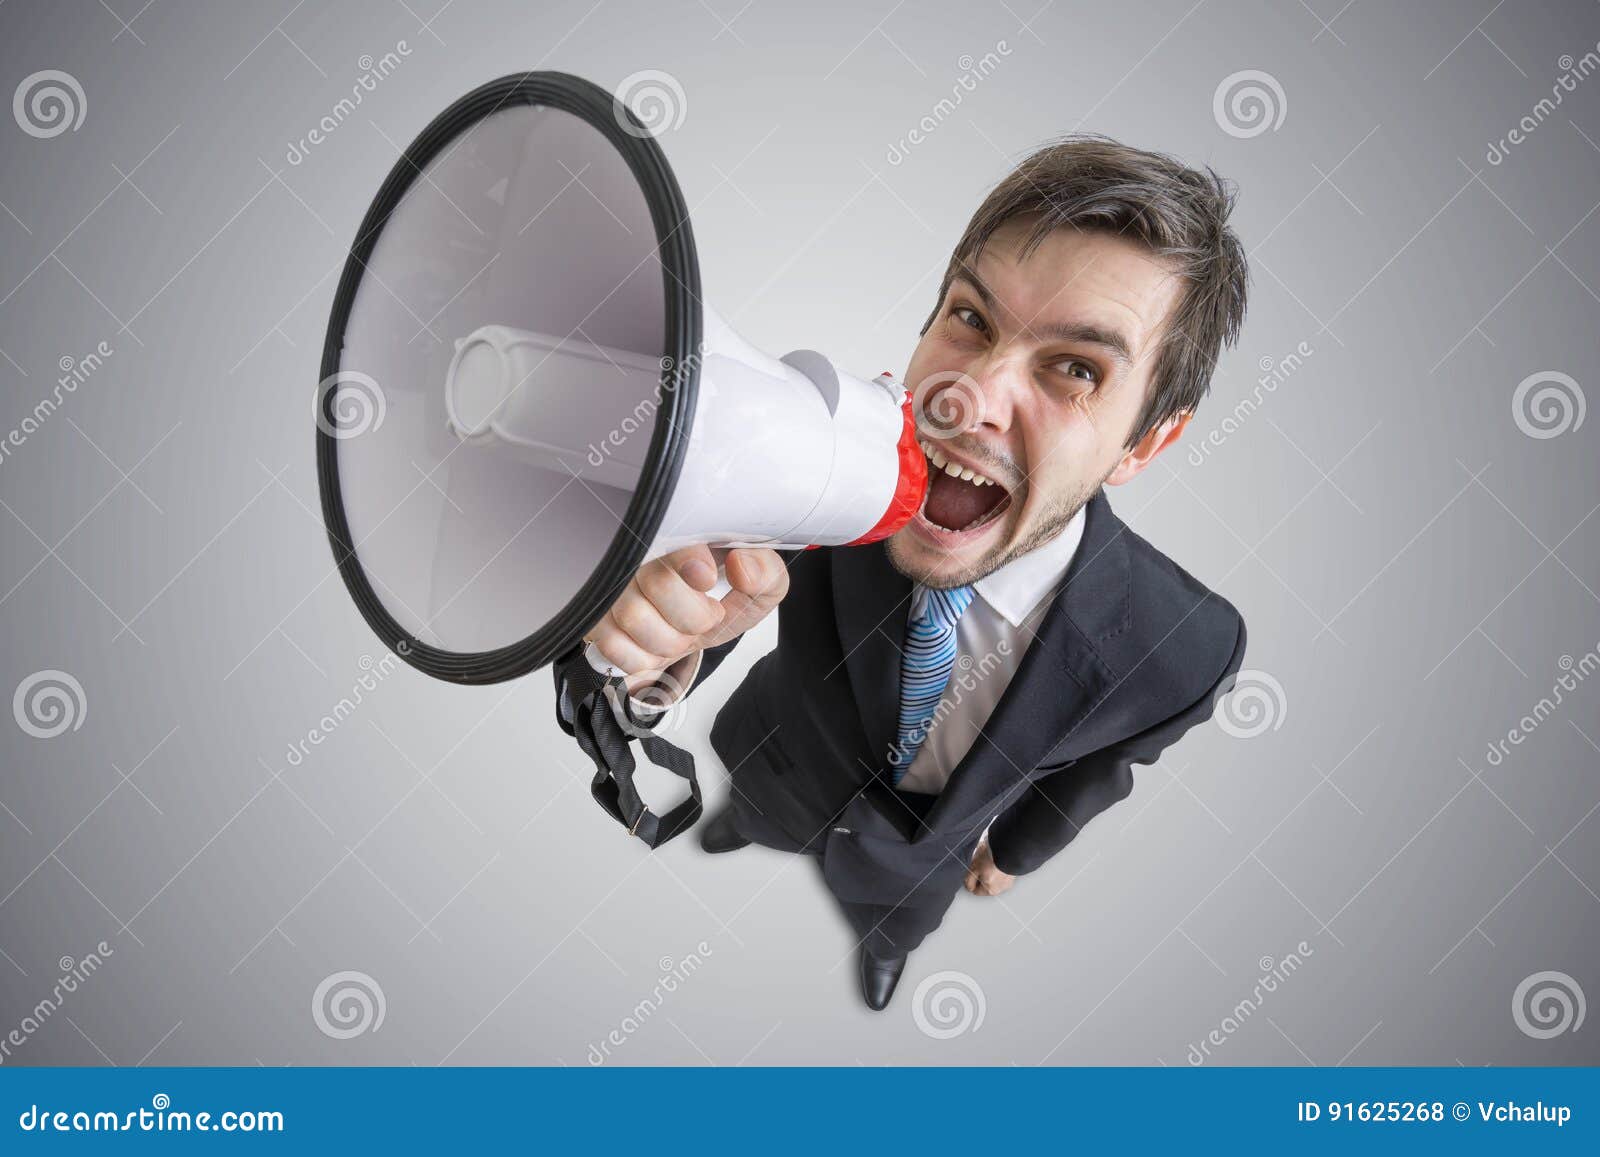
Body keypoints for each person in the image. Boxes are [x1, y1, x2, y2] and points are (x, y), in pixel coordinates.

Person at [586, 135, 1250, 1009]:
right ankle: (741, 826)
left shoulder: (1189, 646)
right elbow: (699, 594)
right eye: (972, 318)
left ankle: (884, 950)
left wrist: (1014, 851)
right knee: (748, 819)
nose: (969, 399)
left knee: (890, 926)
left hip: (913, 870)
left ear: (1145, 442)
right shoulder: (824, 465)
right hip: (777, 769)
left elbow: (1106, 766)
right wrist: (654, 660)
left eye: (1076, 368)